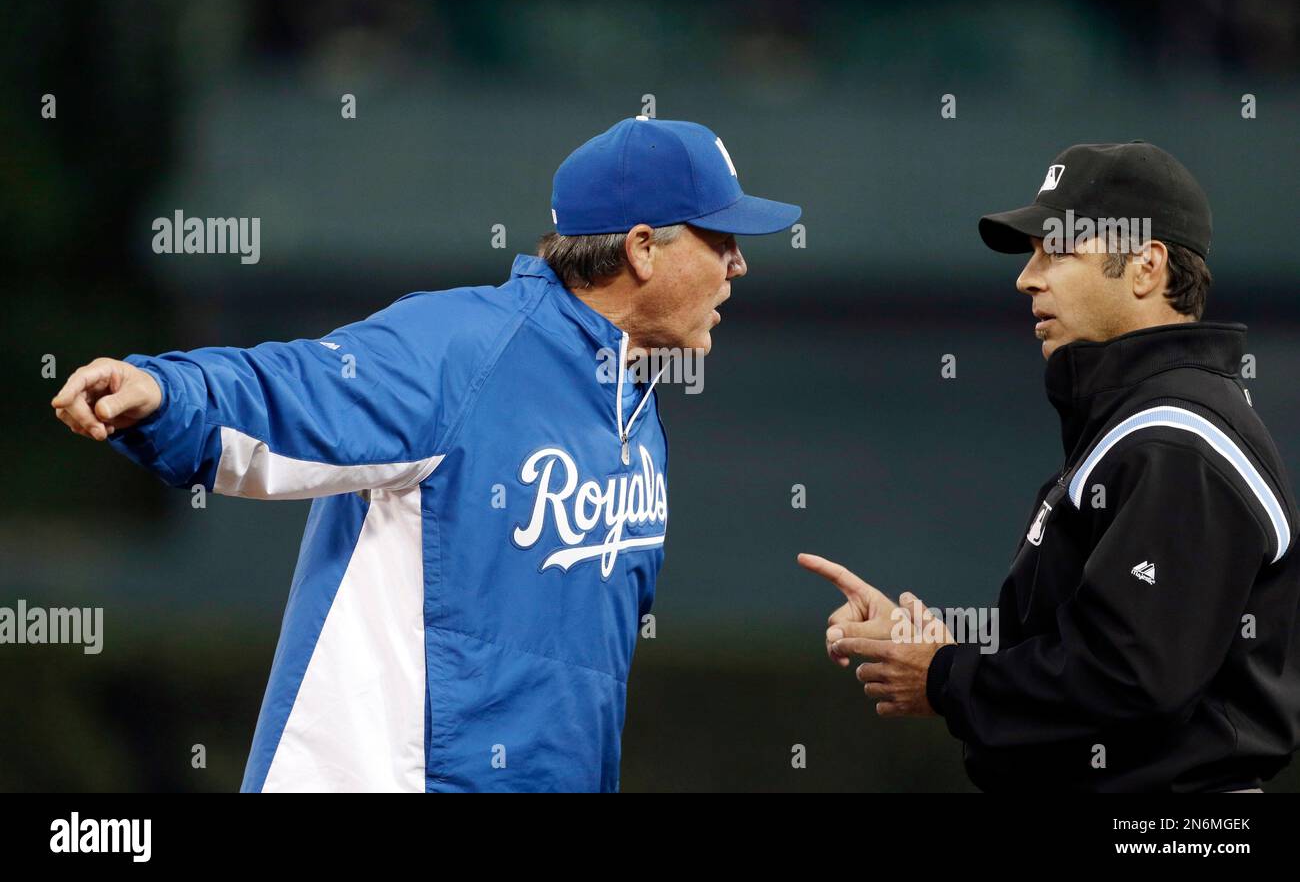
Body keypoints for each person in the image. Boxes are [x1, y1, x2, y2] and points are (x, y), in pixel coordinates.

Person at [51, 116, 801, 792]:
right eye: (720, 238)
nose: (738, 264)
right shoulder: (462, 348)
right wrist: (168, 391)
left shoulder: (632, 400)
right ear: (642, 247)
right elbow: (296, 387)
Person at [803, 141, 1300, 791]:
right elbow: (1095, 655)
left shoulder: (1177, 439)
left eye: (1057, 249)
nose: (1027, 277)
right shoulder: (1135, 425)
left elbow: (1129, 677)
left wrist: (945, 673)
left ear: (1146, 266)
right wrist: (935, 653)